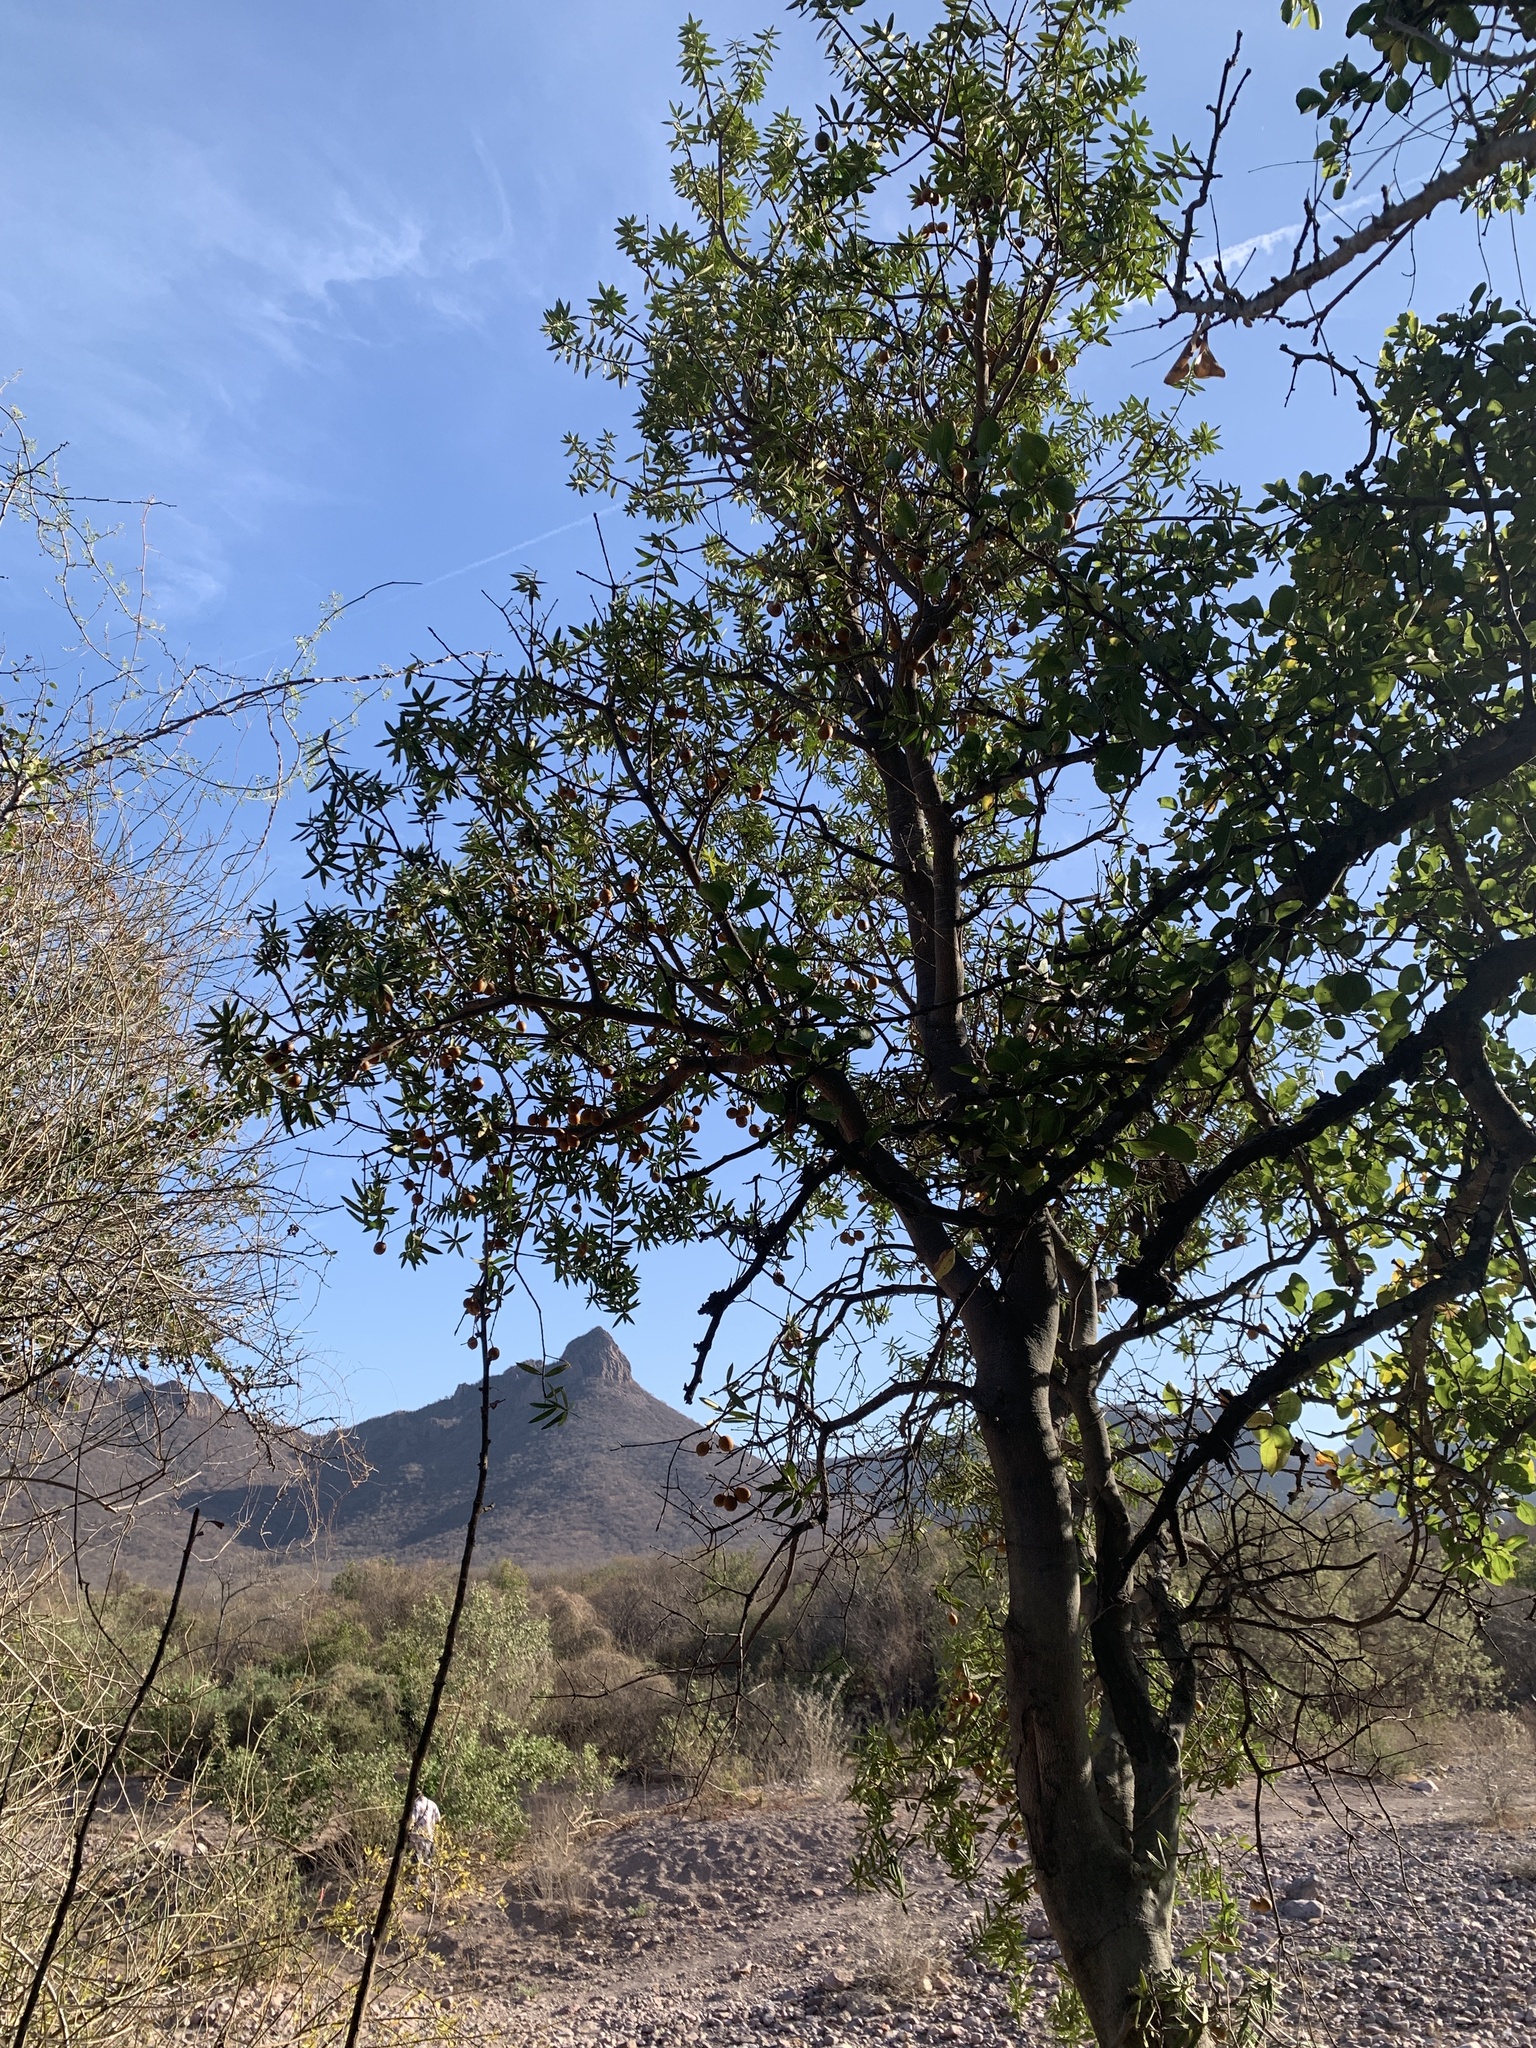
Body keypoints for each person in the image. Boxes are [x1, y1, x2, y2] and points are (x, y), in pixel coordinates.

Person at [407, 1792, 440, 1862]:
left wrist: (407, 1830)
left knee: (415, 1864)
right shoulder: (433, 1804)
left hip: (417, 1840)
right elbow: (438, 1820)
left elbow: (412, 1820)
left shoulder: (417, 1805)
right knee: (426, 1864)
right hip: (430, 1839)